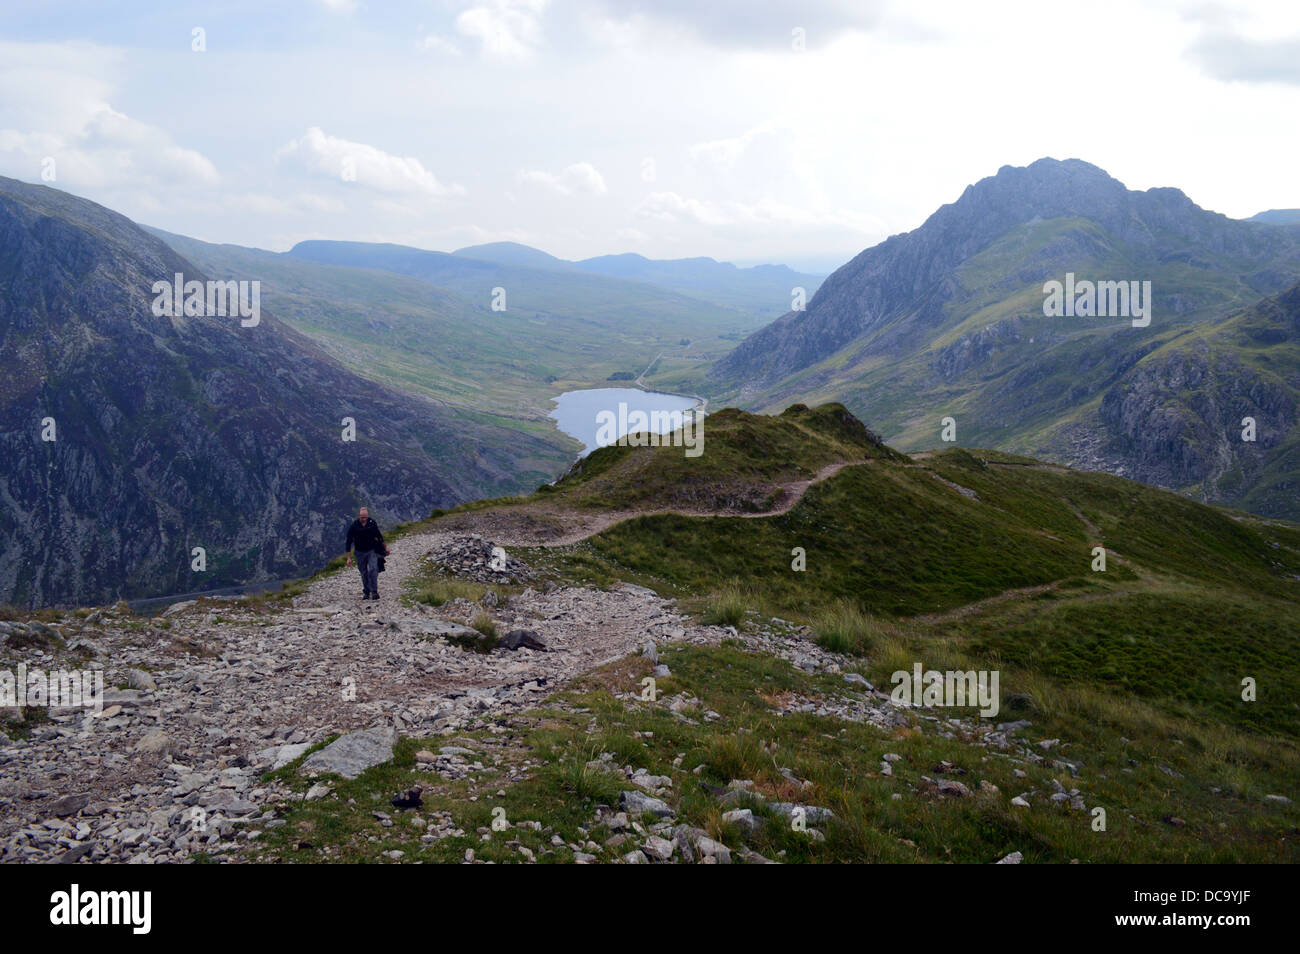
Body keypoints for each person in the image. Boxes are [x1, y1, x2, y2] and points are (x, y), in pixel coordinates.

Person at [345, 507, 388, 601]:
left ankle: (374, 591)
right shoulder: (354, 526)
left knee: (373, 569)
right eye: (362, 517)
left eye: (365, 517)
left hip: (371, 550)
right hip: (359, 552)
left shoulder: (372, 523)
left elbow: (379, 536)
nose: (364, 519)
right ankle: (366, 592)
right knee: (363, 572)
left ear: (367, 516)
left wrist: (385, 548)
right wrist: (348, 558)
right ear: (359, 516)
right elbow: (348, 541)